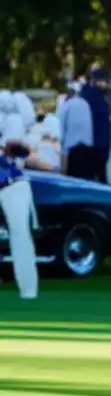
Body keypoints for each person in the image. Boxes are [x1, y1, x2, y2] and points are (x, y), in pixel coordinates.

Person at [1, 91, 38, 299]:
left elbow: (20, 149)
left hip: (12, 183)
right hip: (11, 183)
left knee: (20, 236)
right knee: (20, 236)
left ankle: (28, 291)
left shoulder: (15, 116)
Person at [80, 69, 111, 182]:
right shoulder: (96, 97)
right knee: (100, 176)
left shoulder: (88, 95)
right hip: (98, 144)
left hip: (95, 143)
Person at [58, 83, 95, 179]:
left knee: (74, 181)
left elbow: (61, 130)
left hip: (73, 151)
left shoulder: (66, 106)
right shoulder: (85, 104)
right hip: (88, 149)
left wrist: (62, 153)